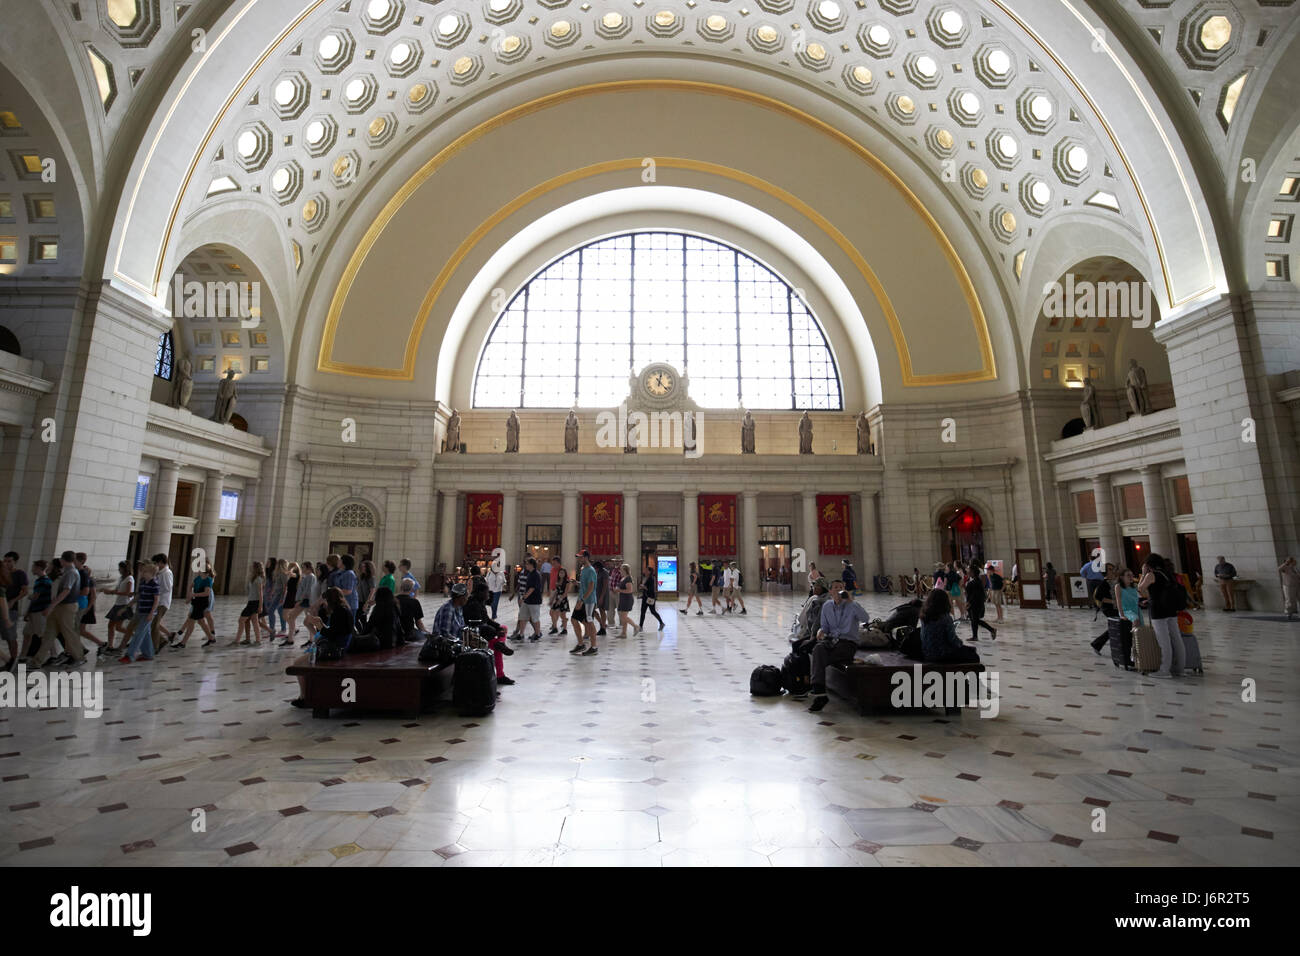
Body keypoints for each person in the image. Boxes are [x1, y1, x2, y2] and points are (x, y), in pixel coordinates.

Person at [806, 589, 870, 713]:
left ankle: (818, 692)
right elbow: (825, 626)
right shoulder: (827, 606)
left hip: (847, 643)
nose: (838, 592)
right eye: (835, 588)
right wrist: (821, 631)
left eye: (840, 588)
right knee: (818, 649)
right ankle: (820, 693)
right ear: (831, 592)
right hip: (831, 641)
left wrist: (851, 601)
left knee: (821, 657)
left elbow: (865, 618)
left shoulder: (851, 605)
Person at [1138, 553, 1186, 679]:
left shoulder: (1151, 575)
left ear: (1149, 565)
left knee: (1164, 641)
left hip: (1158, 611)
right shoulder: (1168, 574)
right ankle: (1180, 669)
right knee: (1177, 638)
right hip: (1171, 609)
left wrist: (1143, 573)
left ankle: (1165, 670)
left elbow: (1140, 589)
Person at [34, 552, 86, 667]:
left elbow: (66, 590)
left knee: (68, 633)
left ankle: (79, 657)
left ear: (63, 560)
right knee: (49, 633)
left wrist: (51, 606)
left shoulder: (71, 573)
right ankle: (37, 660)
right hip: (60, 606)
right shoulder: (67, 572)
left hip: (66, 607)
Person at [464, 578, 514, 685]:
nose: (488, 594)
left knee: (504, 627)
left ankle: (499, 643)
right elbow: (477, 625)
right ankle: (500, 675)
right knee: (497, 650)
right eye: (487, 592)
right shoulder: (473, 604)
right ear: (480, 593)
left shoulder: (480, 602)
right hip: (475, 635)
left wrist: (498, 627)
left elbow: (486, 619)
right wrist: (495, 632)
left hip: (484, 631)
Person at [919, 588, 980, 663]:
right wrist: (960, 643)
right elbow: (952, 640)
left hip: (927, 653)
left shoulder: (924, 616)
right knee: (974, 656)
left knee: (969, 650)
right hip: (942, 655)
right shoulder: (945, 618)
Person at [120, 561, 161, 664]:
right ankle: (148, 654)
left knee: (139, 633)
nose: (142, 573)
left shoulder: (154, 584)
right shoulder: (143, 583)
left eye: (145, 571)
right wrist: (127, 606)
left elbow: (156, 600)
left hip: (148, 613)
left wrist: (151, 613)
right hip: (140, 611)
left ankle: (130, 656)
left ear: (151, 573)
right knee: (145, 633)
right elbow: (138, 596)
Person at [17, 559, 52, 667]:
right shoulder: (40, 580)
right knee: (27, 633)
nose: (32, 569)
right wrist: (28, 612)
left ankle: (48, 655)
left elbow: (35, 597)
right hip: (34, 611)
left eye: (33, 567)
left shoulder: (43, 581)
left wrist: (29, 596)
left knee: (41, 634)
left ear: (39, 568)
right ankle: (23, 655)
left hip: (40, 612)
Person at [176, 562, 216, 648]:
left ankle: (183, 643)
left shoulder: (208, 580)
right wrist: (189, 598)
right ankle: (211, 638)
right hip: (196, 602)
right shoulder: (198, 578)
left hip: (202, 603)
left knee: (192, 621)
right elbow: (191, 587)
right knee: (200, 621)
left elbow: (206, 593)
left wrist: (193, 595)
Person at [304, 586, 354, 655]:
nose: (324, 603)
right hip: (343, 643)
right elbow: (334, 631)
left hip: (338, 646)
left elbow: (331, 635)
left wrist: (319, 626)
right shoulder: (343, 609)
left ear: (329, 600)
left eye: (325, 600)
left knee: (307, 656)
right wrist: (320, 622)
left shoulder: (338, 612)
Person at [569, 550, 599, 656]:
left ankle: (594, 647)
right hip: (582, 599)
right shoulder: (583, 569)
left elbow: (591, 587)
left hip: (588, 601)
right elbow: (585, 585)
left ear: (586, 557)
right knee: (574, 619)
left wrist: (582, 600)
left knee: (589, 622)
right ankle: (581, 644)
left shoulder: (590, 570)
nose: (579, 559)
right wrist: (577, 583)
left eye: (580, 557)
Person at [2, 552, 28, 668]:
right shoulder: (3, 573)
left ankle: (12, 661)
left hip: (11, 609)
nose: (6, 563)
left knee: (10, 636)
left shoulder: (19, 574)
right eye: (5, 561)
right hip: (2, 607)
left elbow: (25, 591)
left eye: (9, 561)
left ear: (15, 562)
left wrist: (13, 600)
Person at [102, 560, 135, 652]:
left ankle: (133, 635)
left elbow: (128, 593)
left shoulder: (130, 579)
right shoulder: (121, 578)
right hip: (118, 603)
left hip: (124, 604)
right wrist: (110, 591)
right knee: (111, 625)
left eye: (120, 568)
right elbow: (118, 590)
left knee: (118, 626)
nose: (119, 570)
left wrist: (112, 592)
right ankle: (110, 645)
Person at [74, 553, 105, 650]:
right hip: (85, 606)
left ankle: (98, 644)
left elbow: (93, 596)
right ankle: (84, 647)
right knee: (80, 630)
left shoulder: (89, 580)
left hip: (86, 607)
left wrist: (88, 607)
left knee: (79, 629)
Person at [1089, 566, 1120, 655]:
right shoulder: (1104, 583)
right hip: (1108, 609)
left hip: (1113, 608)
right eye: (1110, 569)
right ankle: (1097, 644)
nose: (1112, 570)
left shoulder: (1112, 582)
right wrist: (1114, 601)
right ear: (1106, 572)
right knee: (1117, 626)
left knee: (1116, 626)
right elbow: (1099, 597)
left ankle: (1097, 644)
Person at [233, 562, 265, 646]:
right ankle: (258, 641)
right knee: (254, 621)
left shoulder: (258, 579)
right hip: (251, 602)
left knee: (241, 620)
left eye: (252, 566)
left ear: (255, 568)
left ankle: (237, 641)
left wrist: (260, 606)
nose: (250, 567)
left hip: (254, 603)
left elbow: (261, 594)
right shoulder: (253, 578)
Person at [965, 566, 997, 641]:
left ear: (973, 573)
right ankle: (975, 636)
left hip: (975, 604)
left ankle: (991, 630)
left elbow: (974, 595)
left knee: (975, 620)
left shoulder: (974, 582)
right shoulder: (976, 581)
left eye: (969, 571)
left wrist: (969, 603)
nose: (968, 572)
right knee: (974, 620)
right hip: (976, 603)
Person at [517, 557, 544, 641]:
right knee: (522, 617)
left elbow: (532, 588)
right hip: (527, 600)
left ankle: (537, 633)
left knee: (535, 618)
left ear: (532, 565)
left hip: (534, 600)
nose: (526, 565)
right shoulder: (529, 573)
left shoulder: (536, 574)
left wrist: (523, 597)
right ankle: (521, 634)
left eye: (527, 563)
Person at [639, 562, 665, 631]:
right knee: (643, 612)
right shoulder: (646, 577)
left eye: (646, 570)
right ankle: (640, 626)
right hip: (645, 597)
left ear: (649, 572)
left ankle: (661, 623)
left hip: (650, 597)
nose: (644, 571)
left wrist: (643, 587)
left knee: (653, 611)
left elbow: (650, 589)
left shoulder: (651, 578)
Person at [615, 564, 638, 637]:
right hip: (622, 599)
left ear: (625, 570)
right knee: (623, 616)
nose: (619, 570)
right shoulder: (623, 578)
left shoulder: (628, 578)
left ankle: (635, 626)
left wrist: (619, 590)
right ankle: (624, 633)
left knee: (623, 617)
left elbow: (630, 590)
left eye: (621, 569)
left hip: (627, 599)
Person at [549, 565, 570, 635]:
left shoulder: (567, 581)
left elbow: (566, 593)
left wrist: (560, 600)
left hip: (563, 600)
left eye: (563, 573)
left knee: (562, 615)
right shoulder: (557, 581)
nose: (561, 574)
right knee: (552, 612)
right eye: (560, 573)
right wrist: (552, 599)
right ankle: (555, 627)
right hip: (557, 598)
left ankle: (565, 629)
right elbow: (556, 591)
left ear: (565, 574)